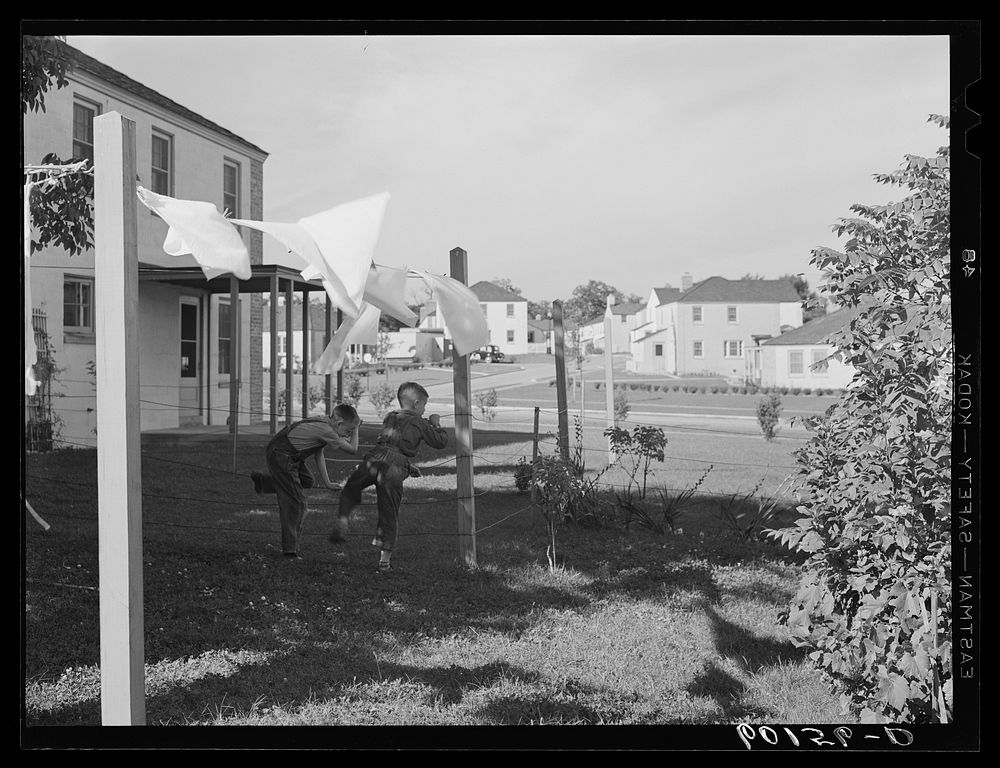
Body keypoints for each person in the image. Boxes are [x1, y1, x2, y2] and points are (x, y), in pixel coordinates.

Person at [330, 382, 448, 572]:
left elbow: (390, 447)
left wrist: (408, 467)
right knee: (388, 510)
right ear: (416, 404)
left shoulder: (390, 417)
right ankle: (384, 561)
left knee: (351, 487)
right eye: (424, 406)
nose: (425, 410)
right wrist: (436, 424)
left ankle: (343, 519)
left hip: (374, 458)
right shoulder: (421, 423)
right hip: (394, 467)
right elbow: (440, 442)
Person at [251, 403, 361, 559]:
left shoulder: (325, 422)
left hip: (287, 454)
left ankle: (264, 483)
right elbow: (353, 449)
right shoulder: (327, 430)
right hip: (282, 455)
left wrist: (328, 483)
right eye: (347, 431)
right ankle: (290, 551)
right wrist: (357, 428)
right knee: (297, 504)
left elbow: (319, 455)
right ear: (339, 423)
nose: (347, 435)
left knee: (307, 481)